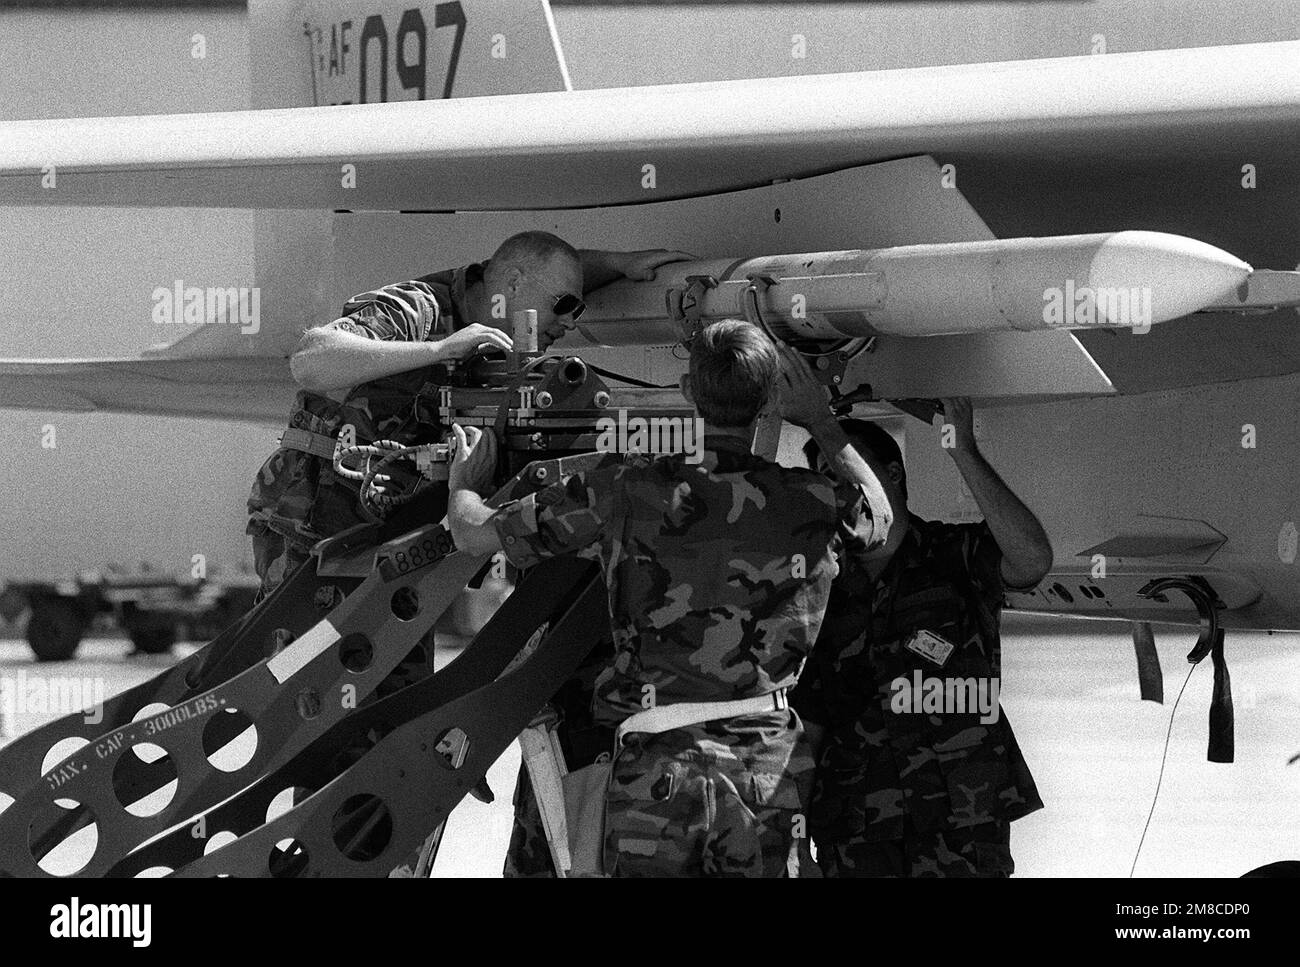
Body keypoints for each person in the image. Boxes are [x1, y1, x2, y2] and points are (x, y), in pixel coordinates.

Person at [447, 320, 894, 877]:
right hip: (763, 770)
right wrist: (821, 420)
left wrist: (463, 483)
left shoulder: (625, 489)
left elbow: (472, 533)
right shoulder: (812, 499)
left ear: (687, 390)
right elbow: (879, 517)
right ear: (769, 399)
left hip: (658, 767)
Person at [247, 231, 690, 599]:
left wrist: (618, 263)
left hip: (394, 529)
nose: (570, 322)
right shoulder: (416, 309)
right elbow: (309, 360)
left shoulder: (513, 292)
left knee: (393, 669)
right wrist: (439, 349)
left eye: (577, 308)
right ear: (512, 285)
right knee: (298, 659)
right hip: (313, 517)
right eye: (563, 306)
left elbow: (544, 271)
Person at [793, 402, 1052, 876]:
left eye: (847, 471)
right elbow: (810, 721)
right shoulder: (819, 585)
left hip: (961, 818)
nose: (839, 490)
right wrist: (795, 840)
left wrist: (963, 451)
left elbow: (1032, 559)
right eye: (826, 479)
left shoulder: (953, 555)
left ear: (891, 475)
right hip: (856, 824)